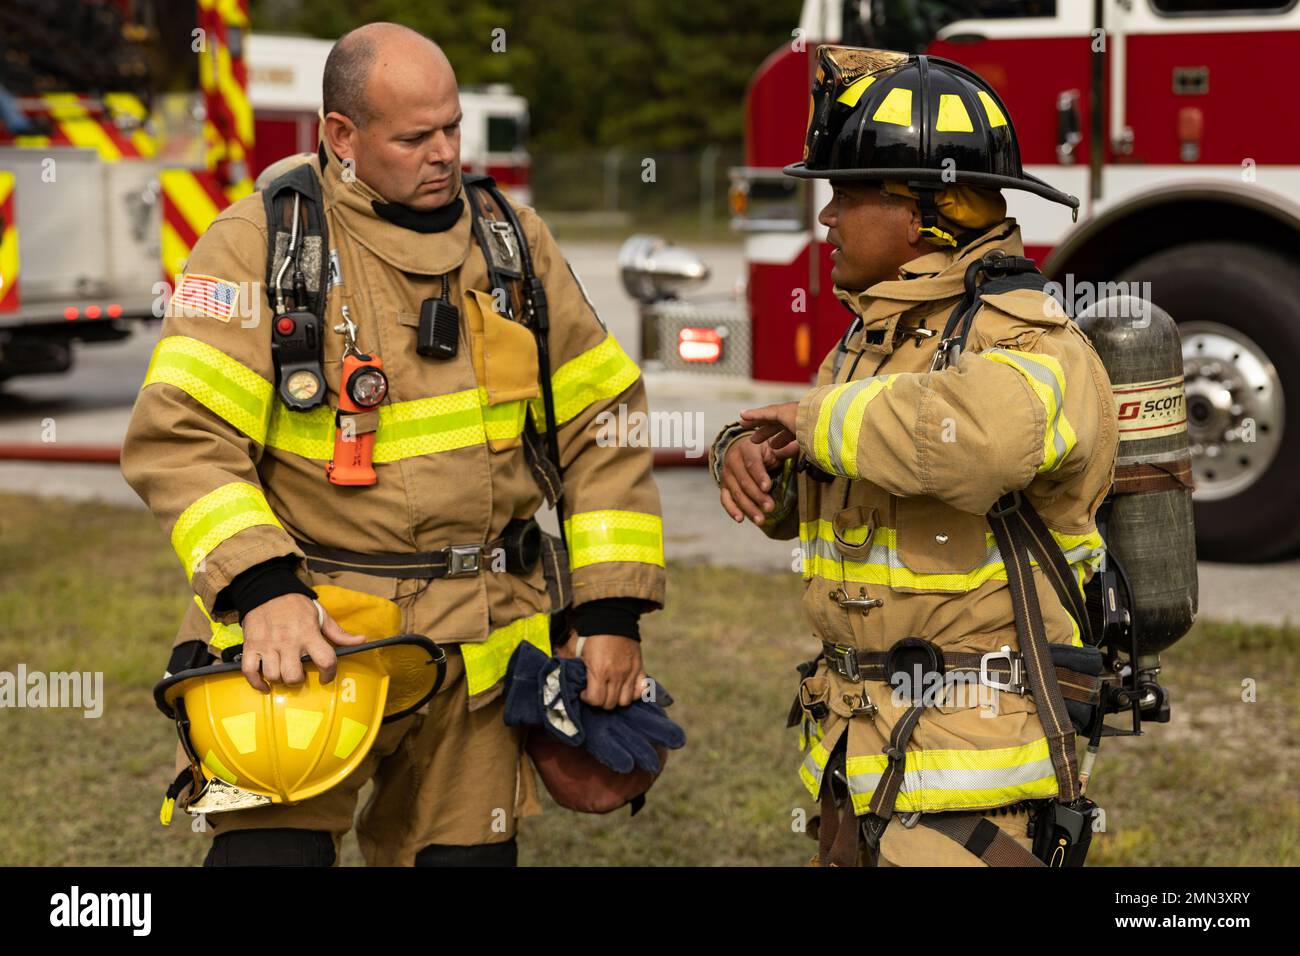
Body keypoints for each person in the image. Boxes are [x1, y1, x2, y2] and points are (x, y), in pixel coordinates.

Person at [123, 22, 665, 867]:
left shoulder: (513, 247)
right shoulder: (258, 246)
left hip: (483, 655)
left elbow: (606, 423)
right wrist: (263, 587)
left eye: (452, 127)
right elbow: (180, 438)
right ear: (341, 135)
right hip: (311, 642)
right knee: (270, 860)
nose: (445, 152)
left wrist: (609, 609)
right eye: (416, 137)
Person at [710, 45, 1117, 866]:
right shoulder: (875, 340)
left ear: (927, 211)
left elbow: (975, 444)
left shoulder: (1032, 337)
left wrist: (814, 422)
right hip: (861, 759)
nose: (825, 219)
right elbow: (837, 467)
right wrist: (750, 457)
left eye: (845, 196)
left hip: (972, 774)